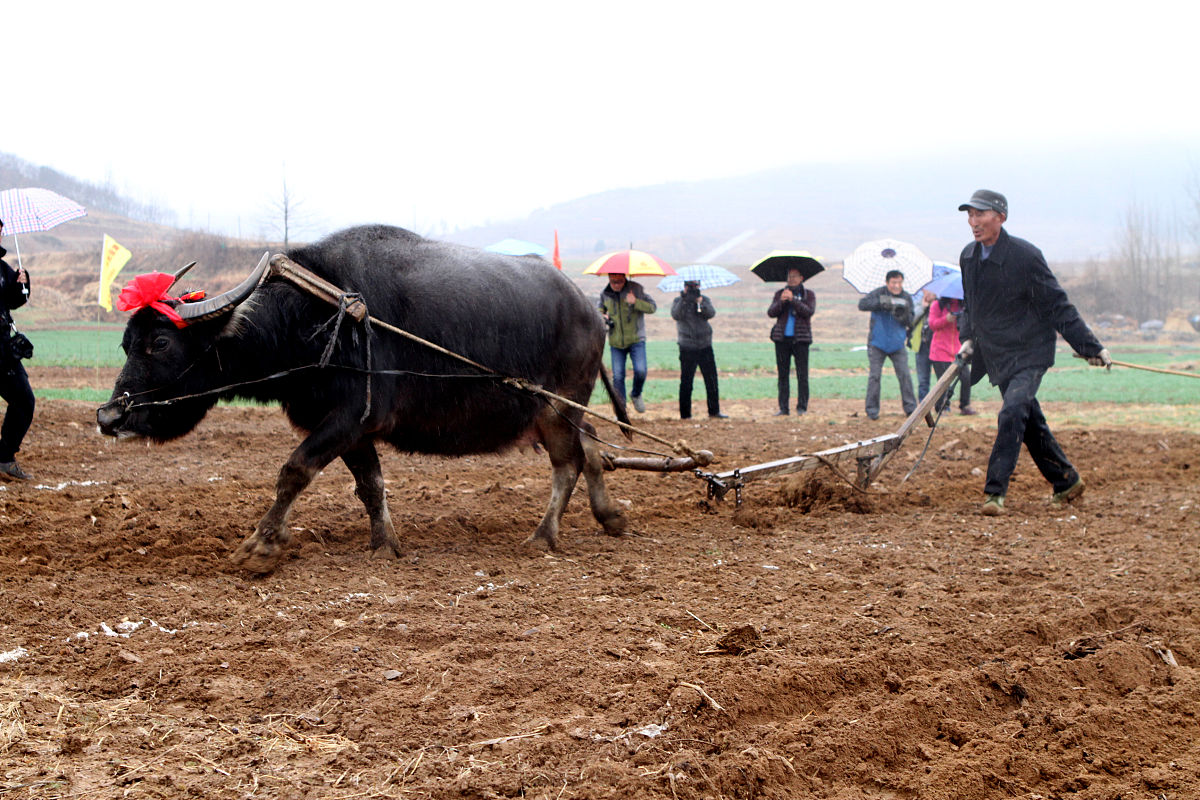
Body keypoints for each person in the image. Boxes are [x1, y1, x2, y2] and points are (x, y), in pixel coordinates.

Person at [957, 189, 1110, 516]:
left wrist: (1091, 348)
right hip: (997, 353)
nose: (973, 222)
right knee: (1028, 422)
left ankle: (994, 492)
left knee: (1012, 411)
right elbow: (971, 305)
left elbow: (1058, 305)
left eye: (980, 214)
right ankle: (1066, 480)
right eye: (969, 215)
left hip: (1030, 351)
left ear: (1000, 217)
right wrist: (968, 337)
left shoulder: (1025, 256)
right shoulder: (968, 257)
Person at [0, 218, 35, 481]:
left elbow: (14, 301)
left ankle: (4, 457)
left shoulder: (2, 269)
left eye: (0, 229)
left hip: (3, 351)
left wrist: (22, 285)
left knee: (24, 400)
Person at [857, 269, 917, 420]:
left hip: (898, 344)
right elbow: (862, 304)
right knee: (874, 376)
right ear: (887, 282)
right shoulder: (878, 293)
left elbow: (911, 320)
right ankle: (872, 411)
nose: (896, 286)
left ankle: (911, 409)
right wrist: (881, 304)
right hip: (877, 343)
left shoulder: (906, 297)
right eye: (893, 282)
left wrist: (901, 315)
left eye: (899, 282)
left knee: (904, 375)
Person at [598, 272, 656, 412]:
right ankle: (621, 409)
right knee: (618, 376)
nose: (616, 285)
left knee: (641, 371)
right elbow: (598, 311)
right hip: (616, 341)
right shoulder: (604, 294)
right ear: (609, 280)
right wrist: (602, 316)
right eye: (613, 282)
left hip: (637, 339)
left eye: (619, 281)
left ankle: (636, 394)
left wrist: (636, 302)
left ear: (624, 278)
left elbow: (652, 307)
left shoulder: (636, 289)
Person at [671, 280, 726, 419]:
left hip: (705, 345)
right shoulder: (678, 301)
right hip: (687, 346)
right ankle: (685, 414)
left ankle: (714, 411)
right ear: (684, 287)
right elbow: (676, 315)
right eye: (690, 287)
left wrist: (700, 303)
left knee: (711, 380)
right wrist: (684, 299)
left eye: (695, 286)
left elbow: (711, 313)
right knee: (686, 382)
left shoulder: (704, 300)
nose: (692, 289)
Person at [767, 267, 816, 415]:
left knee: (802, 375)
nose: (791, 279)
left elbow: (808, 312)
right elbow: (771, 312)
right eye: (789, 276)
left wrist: (793, 300)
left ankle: (802, 407)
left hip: (801, 340)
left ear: (801, 278)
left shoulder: (809, 295)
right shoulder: (779, 294)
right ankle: (783, 408)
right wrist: (782, 301)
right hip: (782, 339)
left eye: (795, 276)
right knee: (783, 375)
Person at [926, 295, 976, 414]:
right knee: (943, 382)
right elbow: (932, 324)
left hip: (959, 350)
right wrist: (946, 319)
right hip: (940, 350)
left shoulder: (964, 306)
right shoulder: (937, 305)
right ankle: (941, 407)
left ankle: (965, 406)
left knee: (966, 378)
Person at [909, 290, 934, 401]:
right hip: (922, 345)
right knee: (923, 379)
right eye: (926, 291)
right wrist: (923, 308)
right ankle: (923, 405)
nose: (928, 294)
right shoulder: (918, 304)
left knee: (942, 377)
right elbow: (910, 321)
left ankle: (942, 405)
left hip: (937, 346)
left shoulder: (942, 305)